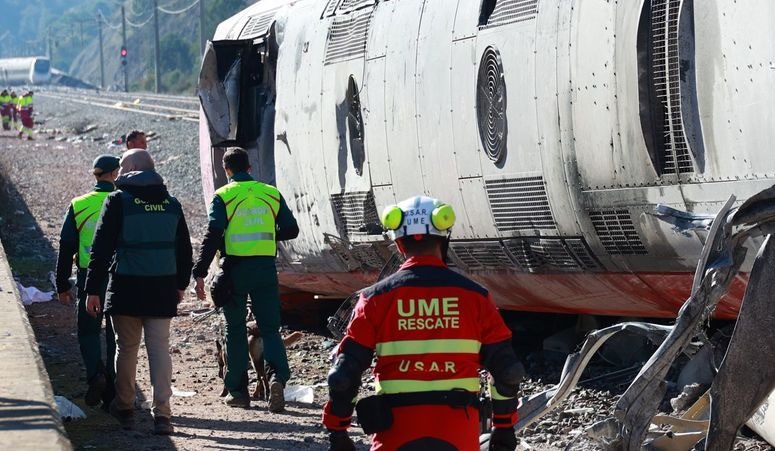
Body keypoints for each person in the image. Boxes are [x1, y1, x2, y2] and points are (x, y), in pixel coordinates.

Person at [321, 195, 525, 451]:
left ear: (398, 244)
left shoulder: (374, 299)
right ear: (444, 240)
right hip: (457, 428)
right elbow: (507, 371)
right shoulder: (476, 297)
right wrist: (503, 426)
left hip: (395, 430)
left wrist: (337, 431)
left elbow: (343, 375)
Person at [84, 149, 193, 435]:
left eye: (121, 166)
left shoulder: (117, 200)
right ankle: (163, 416)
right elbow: (184, 249)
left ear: (131, 168)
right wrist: (181, 284)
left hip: (126, 288)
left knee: (126, 349)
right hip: (162, 287)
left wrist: (92, 290)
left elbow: (101, 248)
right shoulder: (172, 204)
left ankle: (126, 408)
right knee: (159, 350)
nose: (118, 172)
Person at [193, 146, 299, 412]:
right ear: (249, 168)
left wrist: (200, 271)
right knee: (270, 329)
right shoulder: (270, 193)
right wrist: (267, 234)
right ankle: (276, 378)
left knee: (235, 330)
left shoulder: (223, 196)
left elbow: (214, 234)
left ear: (227, 170)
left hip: (234, 271)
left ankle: (239, 392)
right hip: (264, 269)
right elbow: (291, 229)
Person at [55, 155, 120, 409]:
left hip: (87, 277)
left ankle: (96, 375)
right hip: (119, 276)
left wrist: (62, 285)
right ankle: (113, 390)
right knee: (116, 334)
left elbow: (65, 246)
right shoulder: (123, 201)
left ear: (95, 175)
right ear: (114, 174)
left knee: (88, 331)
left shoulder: (79, 204)